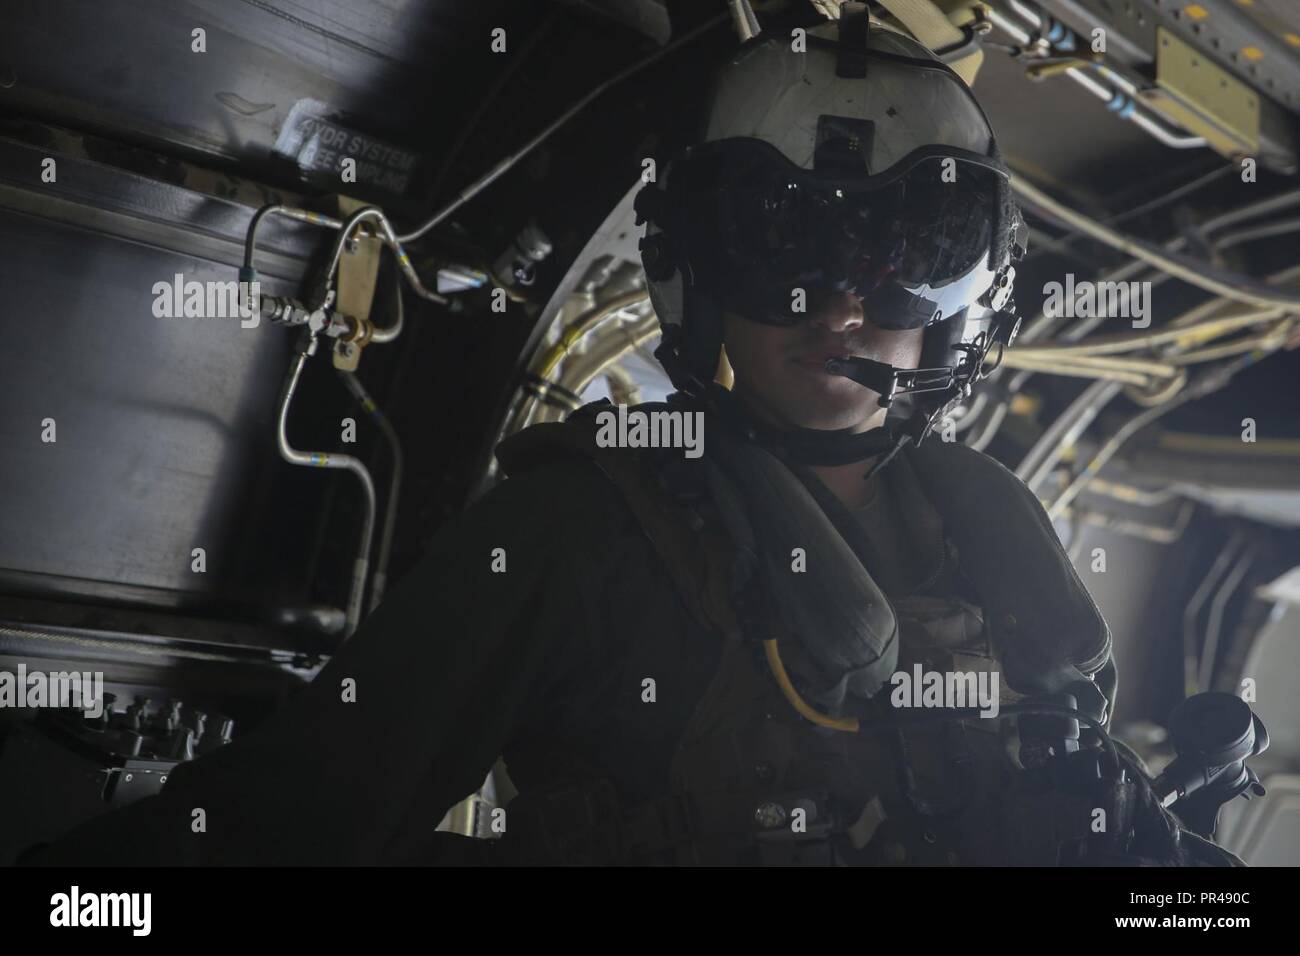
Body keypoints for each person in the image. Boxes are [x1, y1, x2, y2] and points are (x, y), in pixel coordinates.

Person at [23, 8, 1235, 867]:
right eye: (780, 250)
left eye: (902, 261)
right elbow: (279, 823)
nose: (839, 308)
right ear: (699, 270)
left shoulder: (992, 525)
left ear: (967, 294)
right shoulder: (580, 531)